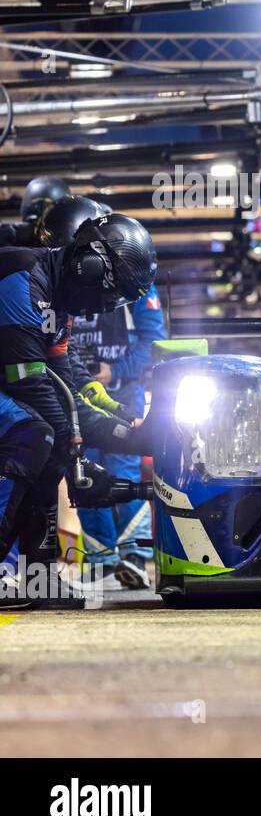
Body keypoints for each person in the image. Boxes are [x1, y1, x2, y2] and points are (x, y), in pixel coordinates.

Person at [0, 209, 158, 608]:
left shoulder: (56, 303)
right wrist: (78, 463)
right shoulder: (20, 279)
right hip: (18, 389)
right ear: (89, 268)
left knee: (50, 438)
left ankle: (38, 578)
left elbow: (69, 399)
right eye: (113, 295)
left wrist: (135, 436)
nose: (106, 308)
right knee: (36, 434)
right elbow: (31, 385)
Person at [44, 197, 166, 589]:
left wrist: (118, 371)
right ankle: (100, 557)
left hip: (122, 392)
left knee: (125, 467)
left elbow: (154, 340)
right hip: (75, 388)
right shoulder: (62, 282)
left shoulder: (132, 280)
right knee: (81, 466)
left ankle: (133, 553)